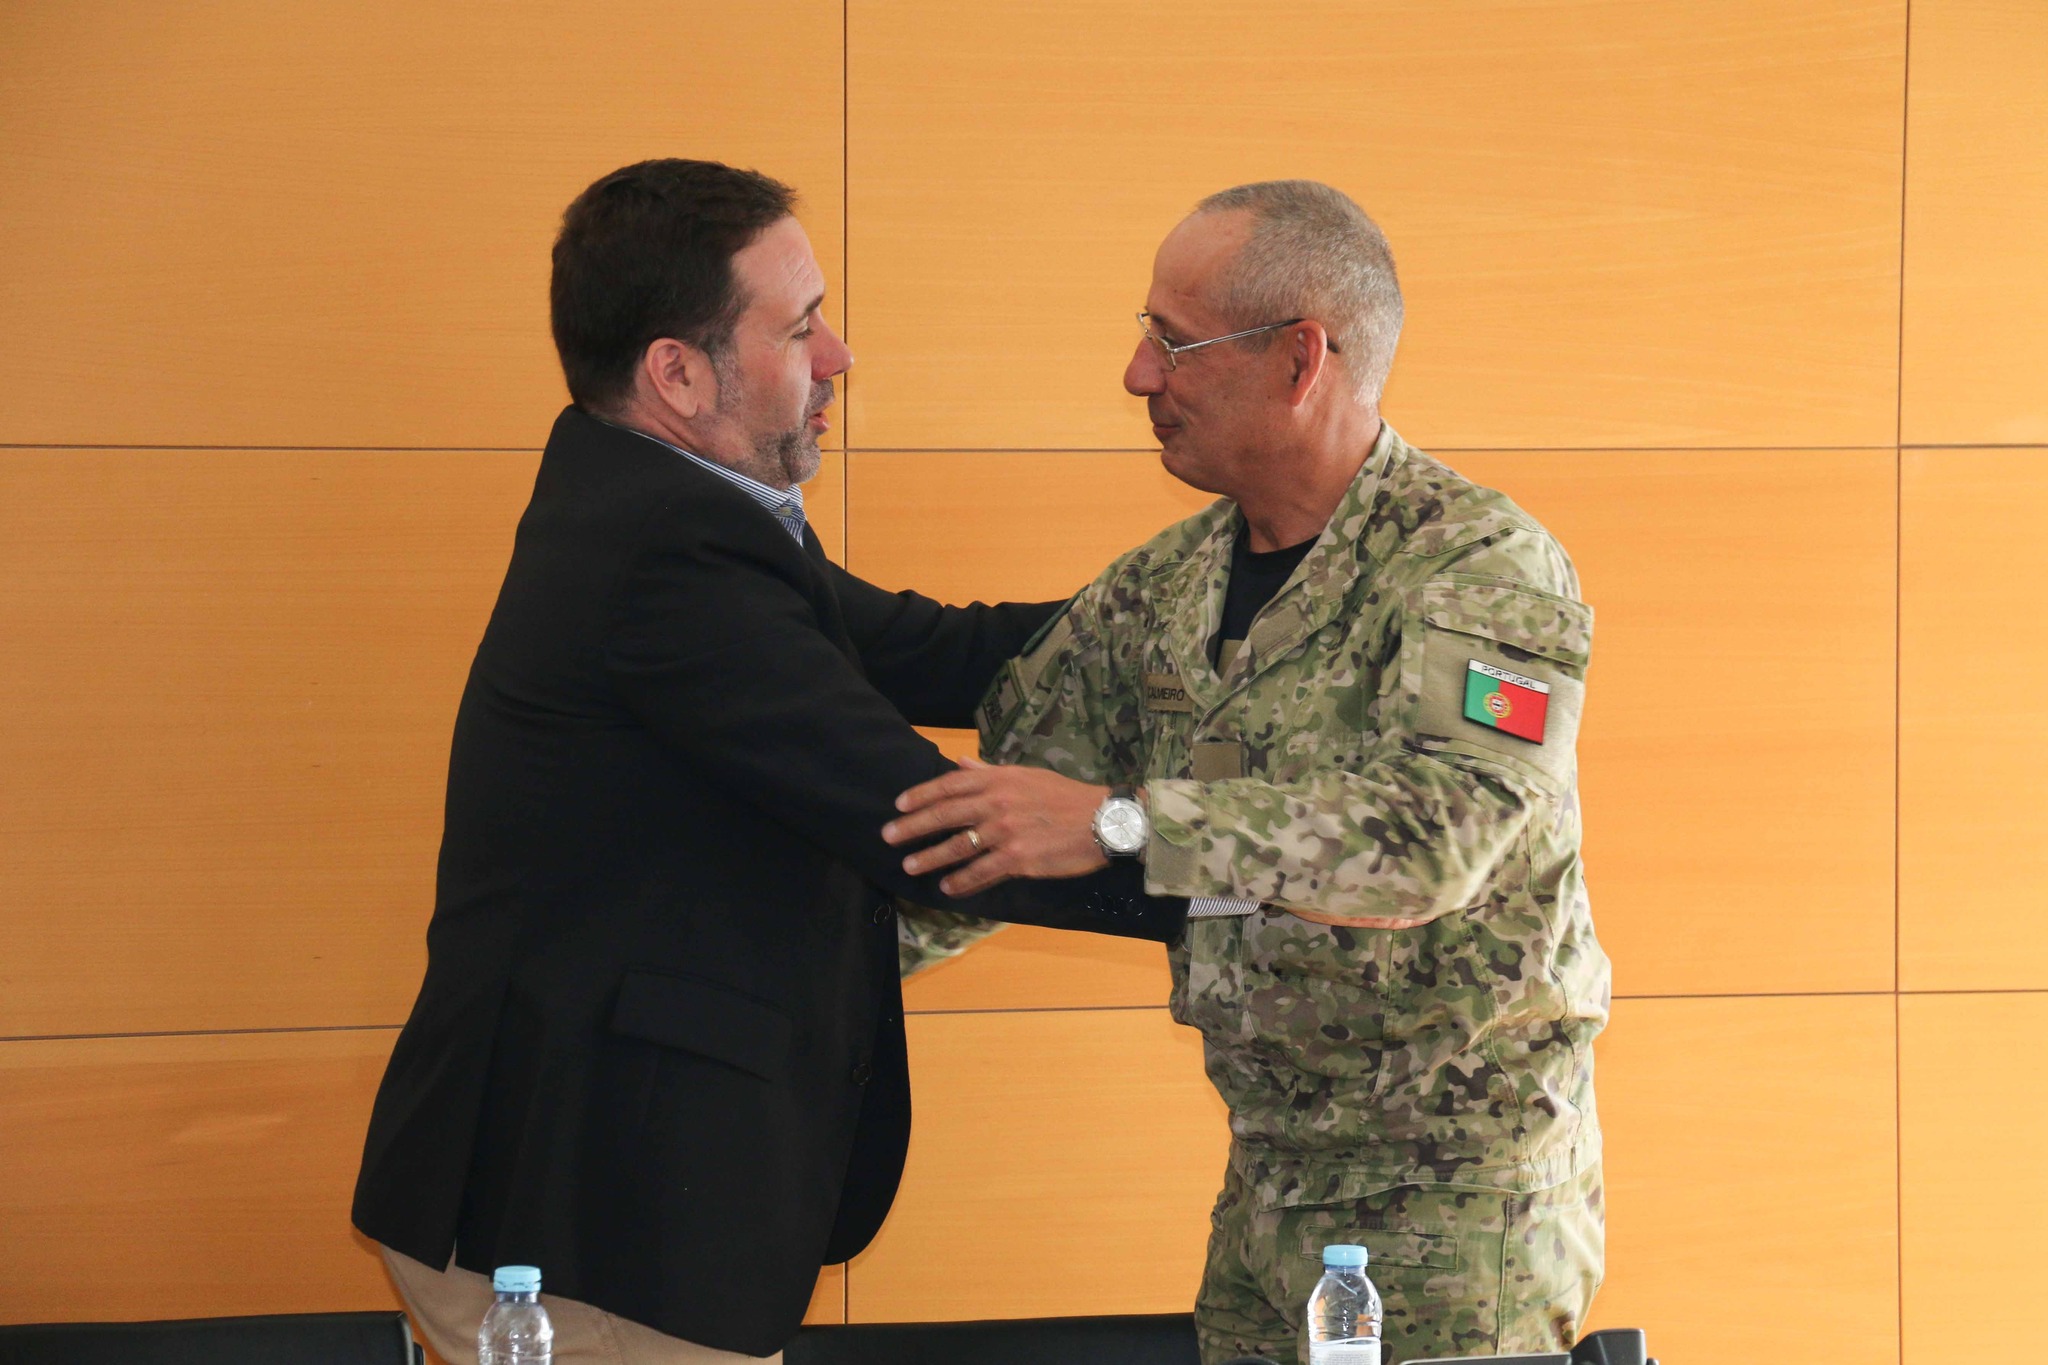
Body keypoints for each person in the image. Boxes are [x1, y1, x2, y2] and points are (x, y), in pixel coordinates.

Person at [350, 158, 1183, 1365]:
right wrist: (1243, 871)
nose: (837, 356)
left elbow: (941, 648)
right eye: (799, 328)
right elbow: (924, 822)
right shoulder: (668, 556)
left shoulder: (655, 504)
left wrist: (1202, 616)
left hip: (589, 1203)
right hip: (582, 1229)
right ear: (676, 374)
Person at [886, 181, 1608, 1365]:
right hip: (1269, 1188)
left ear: (1297, 359)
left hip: (1455, 1205)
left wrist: (1123, 825)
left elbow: (1433, 840)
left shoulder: (1480, 568)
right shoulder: (1161, 589)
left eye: (1172, 342)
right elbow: (1005, 820)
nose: (1135, 374)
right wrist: (785, 976)